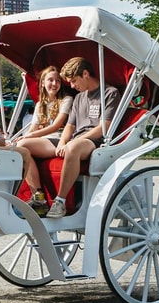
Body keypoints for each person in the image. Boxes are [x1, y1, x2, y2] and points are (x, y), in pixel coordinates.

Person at [45, 57, 122, 219]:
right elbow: (70, 126)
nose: (72, 86)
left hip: (94, 141)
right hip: (75, 139)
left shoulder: (110, 93)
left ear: (85, 74)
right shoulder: (79, 97)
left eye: (74, 81)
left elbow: (104, 127)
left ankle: (60, 201)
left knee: (73, 148)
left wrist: (73, 142)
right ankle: (37, 197)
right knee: (26, 145)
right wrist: (63, 142)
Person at [10, 66, 76, 215]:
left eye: (58, 80)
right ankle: (38, 196)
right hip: (44, 140)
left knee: (23, 145)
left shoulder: (66, 100)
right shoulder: (40, 104)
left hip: (59, 140)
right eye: (50, 80)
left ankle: (39, 200)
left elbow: (56, 126)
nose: (54, 84)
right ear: (43, 83)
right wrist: (18, 138)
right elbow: (33, 128)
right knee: (19, 148)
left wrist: (28, 137)